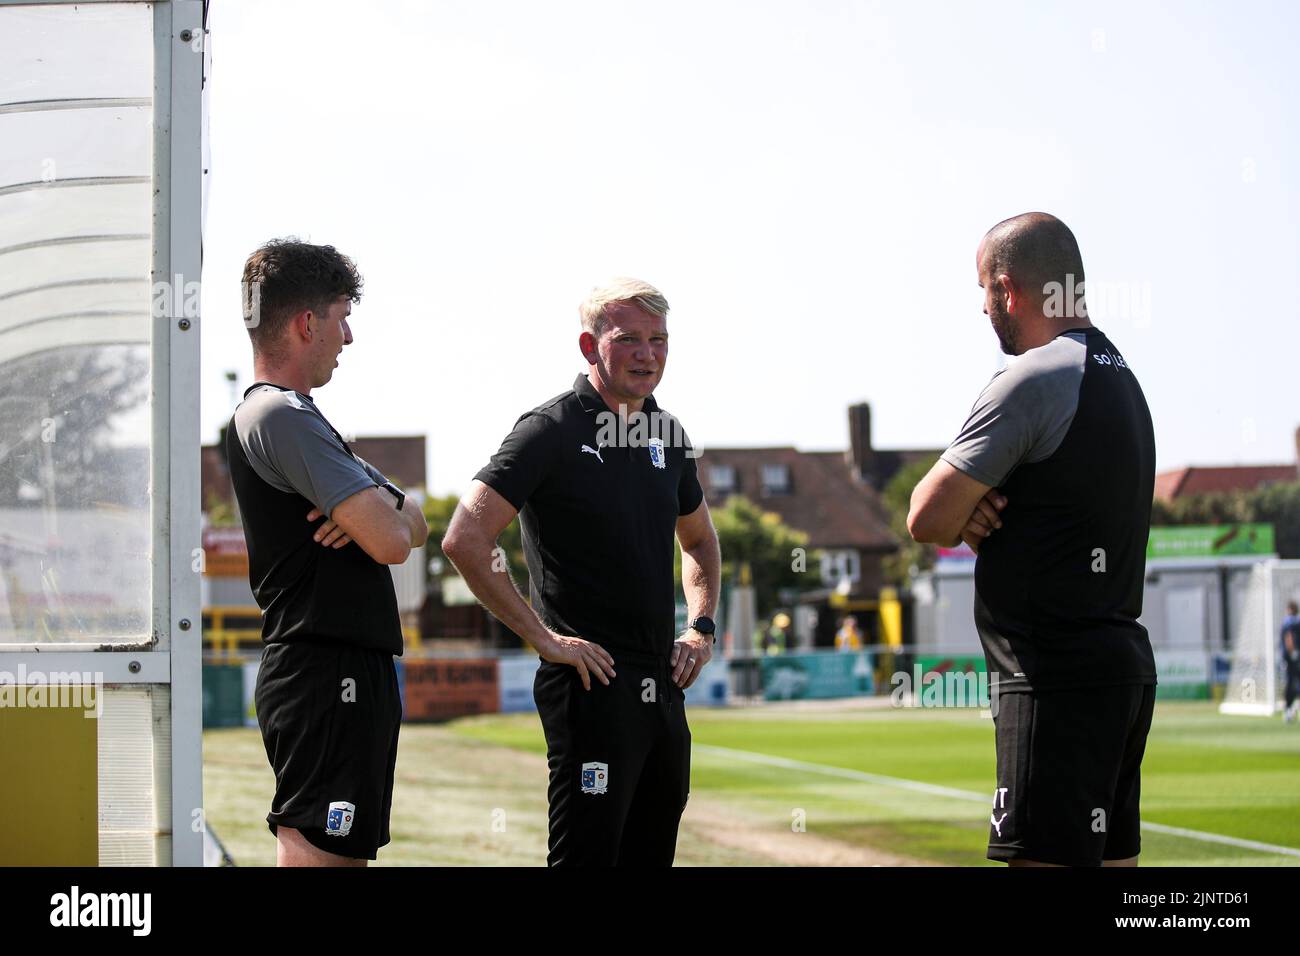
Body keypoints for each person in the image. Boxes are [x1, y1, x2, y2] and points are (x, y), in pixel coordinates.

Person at [442, 277, 721, 866]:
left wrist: (700, 629)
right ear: (589, 346)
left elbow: (698, 541)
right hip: (589, 688)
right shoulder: (550, 429)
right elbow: (466, 537)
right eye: (630, 339)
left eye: (659, 340)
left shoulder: (668, 435)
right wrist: (543, 639)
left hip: (663, 686)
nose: (648, 354)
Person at [908, 212, 1157, 867]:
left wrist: (963, 515)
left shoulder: (1035, 377)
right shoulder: (1121, 376)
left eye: (984, 293)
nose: (983, 310)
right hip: (1121, 670)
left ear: (1009, 290)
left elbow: (925, 517)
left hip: (1051, 680)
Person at [226, 239, 428, 866]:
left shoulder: (303, 419)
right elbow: (395, 540)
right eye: (342, 317)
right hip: (324, 669)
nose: (348, 337)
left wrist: (371, 505)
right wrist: (374, 511)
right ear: (307, 323)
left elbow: (414, 521)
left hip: (337, 667)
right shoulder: (281, 414)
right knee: (322, 858)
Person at [1281, 600, 1300, 723]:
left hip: (1292, 657)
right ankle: (1290, 709)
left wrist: (1292, 651)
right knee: (1292, 683)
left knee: (1291, 683)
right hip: (1292, 657)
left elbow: (1289, 638)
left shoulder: (1290, 622)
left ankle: (1290, 709)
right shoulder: (1292, 622)